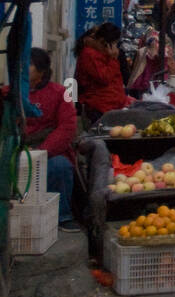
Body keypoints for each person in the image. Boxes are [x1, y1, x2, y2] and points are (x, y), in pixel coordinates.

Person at [25, 48, 80, 231]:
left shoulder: (62, 92)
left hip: (49, 151)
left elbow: (67, 127)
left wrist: (42, 151)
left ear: (42, 71)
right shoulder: (10, 92)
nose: (24, 67)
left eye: (30, 64)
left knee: (60, 167)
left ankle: (63, 216)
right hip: (18, 147)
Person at [73, 23, 130, 123]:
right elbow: (104, 77)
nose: (116, 48)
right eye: (114, 43)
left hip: (113, 105)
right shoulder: (89, 54)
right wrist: (113, 59)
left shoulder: (104, 53)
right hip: (100, 108)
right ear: (105, 42)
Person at [127, 30, 169, 97]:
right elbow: (136, 69)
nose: (155, 43)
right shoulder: (142, 52)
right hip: (145, 82)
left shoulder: (164, 52)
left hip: (155, 81)